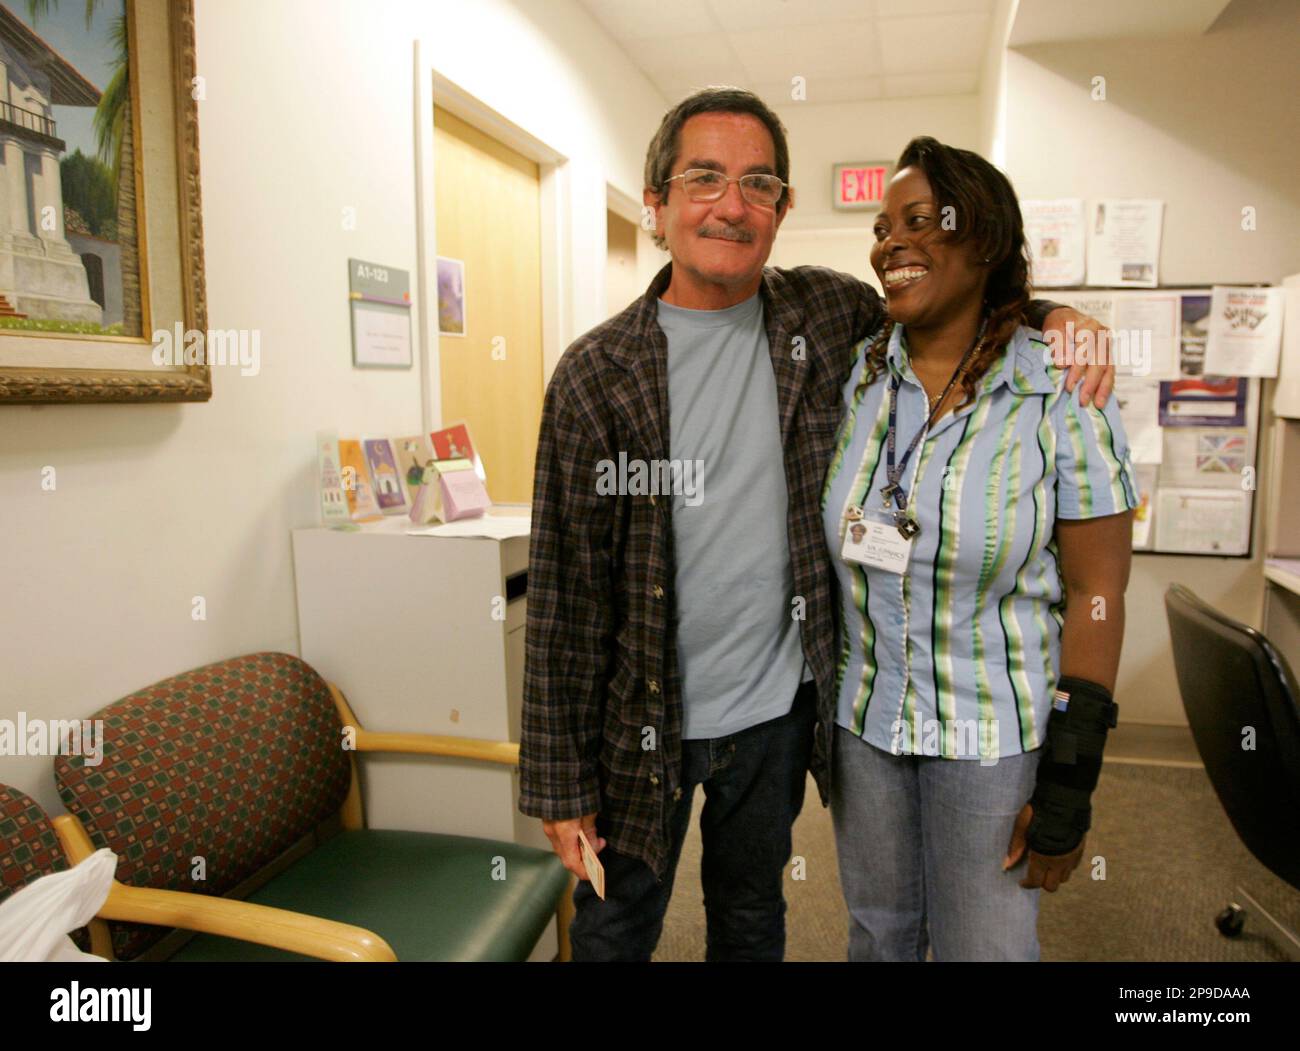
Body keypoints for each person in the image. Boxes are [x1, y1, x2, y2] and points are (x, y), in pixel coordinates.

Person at [518, 87, 1114, 963]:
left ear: (783, 208)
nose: (732, 204)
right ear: (656, 203)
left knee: (753, 914)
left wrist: (1051, 316)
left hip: (777, 711)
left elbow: (954, 300)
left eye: (759, 183)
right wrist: (560, 779)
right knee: (613, 925)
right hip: (637, 713)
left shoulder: (828, 319)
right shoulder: (595, 373)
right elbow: (563, 595)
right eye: (704, 178)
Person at [822, 136, 1138, 961]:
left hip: (990, 737)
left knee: (985, 947)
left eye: (921, 221)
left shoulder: (1062, 388)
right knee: (878, 938)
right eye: (883, 225)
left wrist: (1072, 778)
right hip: (867, 725)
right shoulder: (857, 373)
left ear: (985, 238)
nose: (890, 241)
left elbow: (1099, 591)